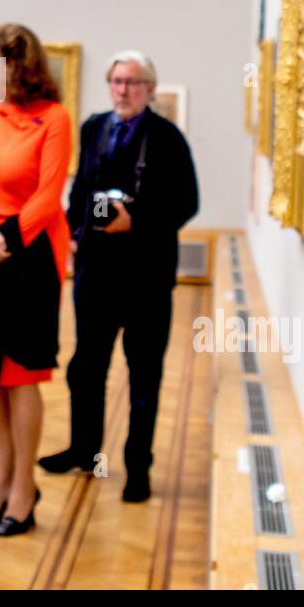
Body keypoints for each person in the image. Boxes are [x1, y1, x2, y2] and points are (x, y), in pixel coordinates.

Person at [40, 50, 199, 503]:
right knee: (85, 368)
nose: (122, 90)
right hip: (95, 272)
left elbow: (187, 202)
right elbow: (81, 188)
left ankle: (138, 470)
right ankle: (84, 451)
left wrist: (137, 219)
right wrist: (74, 231)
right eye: (116, 81)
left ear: (149, 88)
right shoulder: (94, 127)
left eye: (131, 82)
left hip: (146, 276)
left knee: (143, 375)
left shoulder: (167, 138)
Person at [0, 23, 70, 537]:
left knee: (22, 376)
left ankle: (23, 491)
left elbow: (49, 196)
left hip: (31, 255)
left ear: (15, 63)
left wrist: (6, 241)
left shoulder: (54, 117)